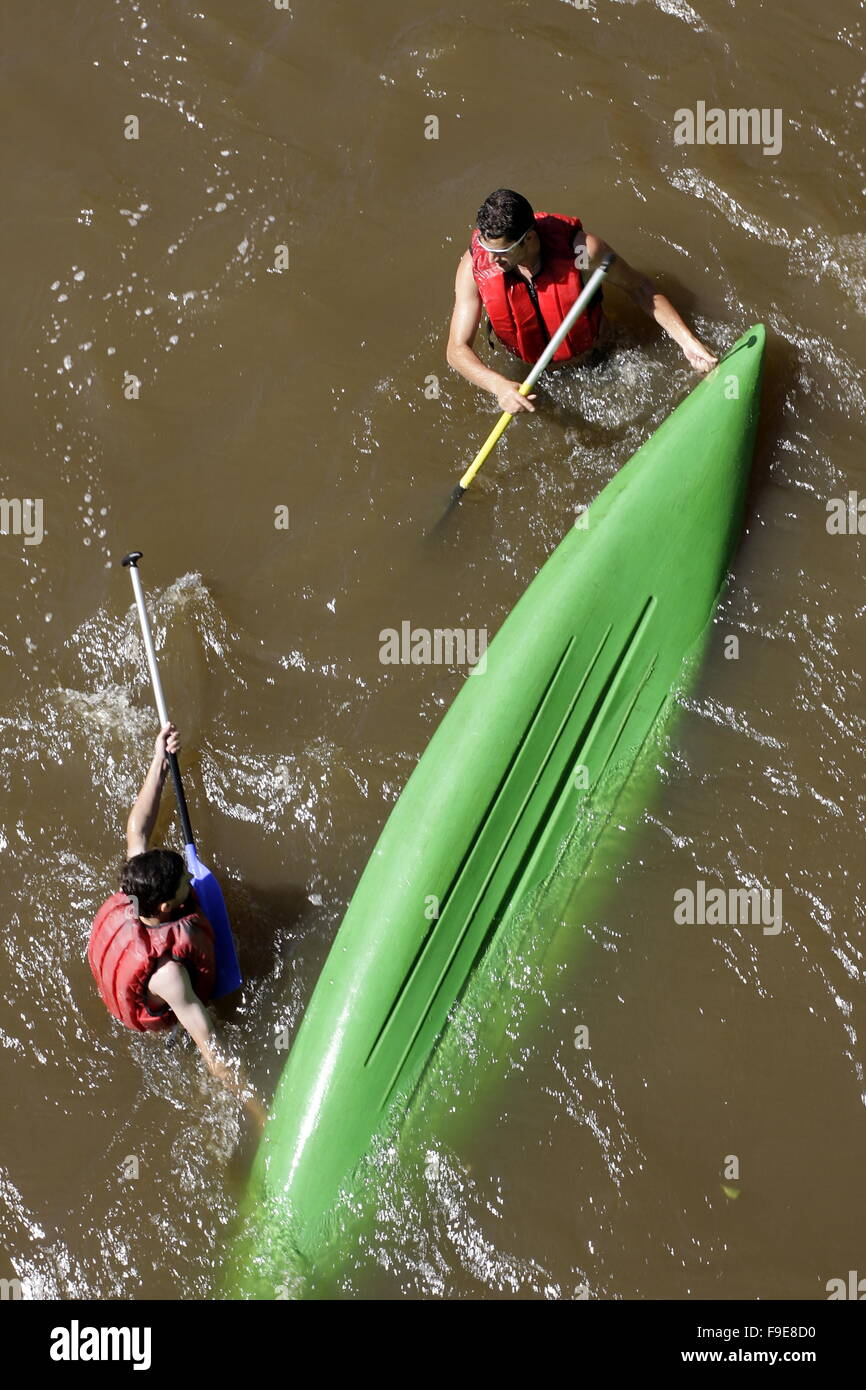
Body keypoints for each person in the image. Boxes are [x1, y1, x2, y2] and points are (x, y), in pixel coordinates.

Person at [87, 721, 266, 1130]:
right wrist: (259, 1114)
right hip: (167, 1016)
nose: (193, 880)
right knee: (217, 1022)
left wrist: (159, 760)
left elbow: (138, 827)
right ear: (168, 905)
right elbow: (211, 1049)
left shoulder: (135, 886)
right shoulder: (169, 974)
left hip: (129, 968)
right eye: (188, 881)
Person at [446, 187, 719, 416]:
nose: (492, 261)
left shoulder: (581, 252)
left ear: (529, 239)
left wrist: (687, 342)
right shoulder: (475, 267)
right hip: (534, 377)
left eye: (502, 251)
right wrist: (498, 385)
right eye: (486, 248)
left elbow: (640, 289)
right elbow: (456, 349)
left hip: (603, 355)